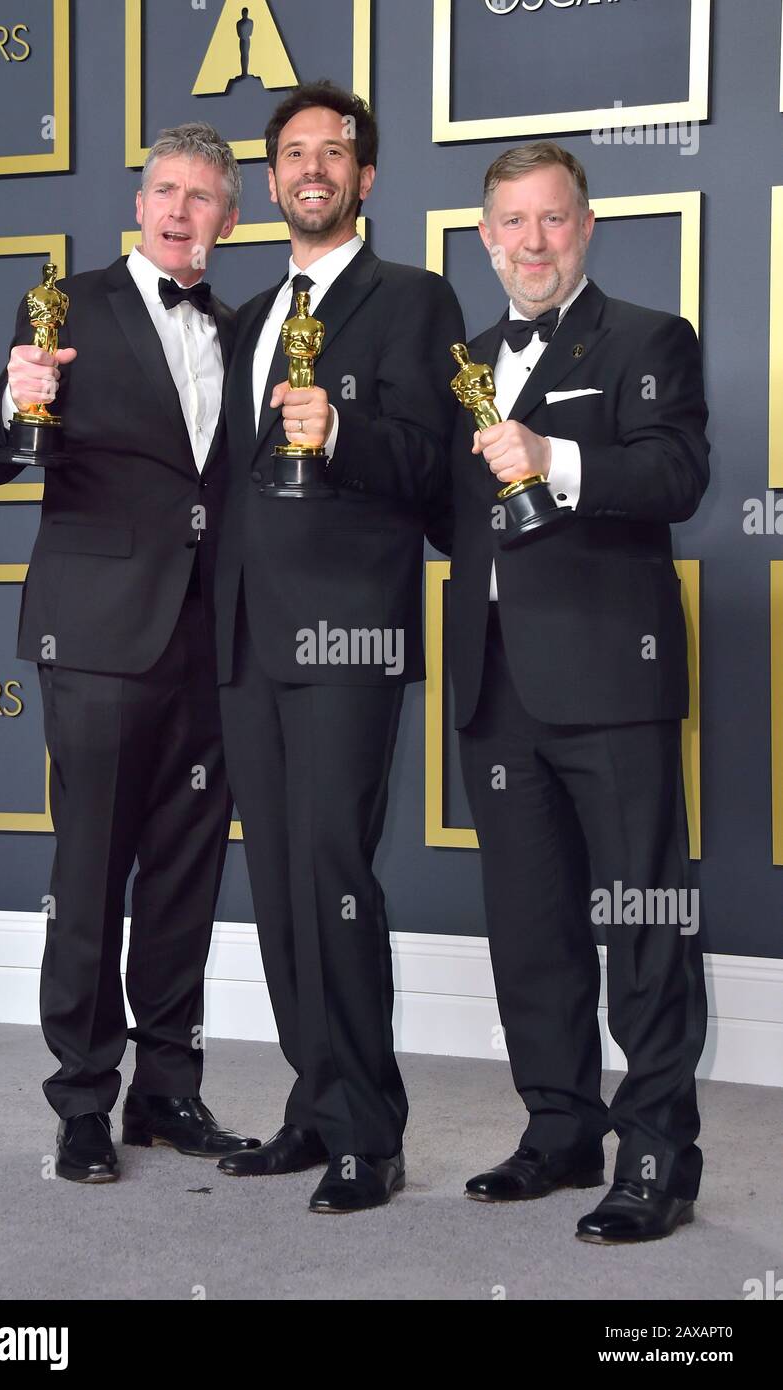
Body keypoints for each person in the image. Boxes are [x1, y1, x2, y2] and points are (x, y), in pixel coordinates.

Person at [0, 122, 260, 1183]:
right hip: (96, 635)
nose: (180, 210)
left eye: (202, 196)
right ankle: (83, 1100)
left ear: (230, 218)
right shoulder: (66, 310)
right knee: (89, 872)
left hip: (211, 639)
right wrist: (14, 402)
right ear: (139, 206)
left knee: (185, 873)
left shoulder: (244, 331)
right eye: (164, 190)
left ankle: (167, 1091)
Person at [435, 140, 709, 1243]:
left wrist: (556, 457)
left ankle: (657, 1155)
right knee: (529, 924)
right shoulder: (463, 360)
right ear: (485, 237)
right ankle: (557, 1129)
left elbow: (678, 476)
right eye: (512, 222)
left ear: (585, 228)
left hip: (610, 676)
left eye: (553, 219)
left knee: (642, 919)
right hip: (494, 680)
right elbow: (449, 513)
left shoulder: (649, 338)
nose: (533, 241)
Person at [214, 81, 465, 1213]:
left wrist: (342, 430)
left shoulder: (412, 298)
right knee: (277, 881)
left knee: (332, 872)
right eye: (293, 153)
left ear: (364, 178)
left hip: (347, 631)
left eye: (334, 152)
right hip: (243, 635)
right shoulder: (247, 316)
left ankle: (370, 1129)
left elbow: (434, 464)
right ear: (271, 181)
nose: (311, 168)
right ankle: (314, 1105)